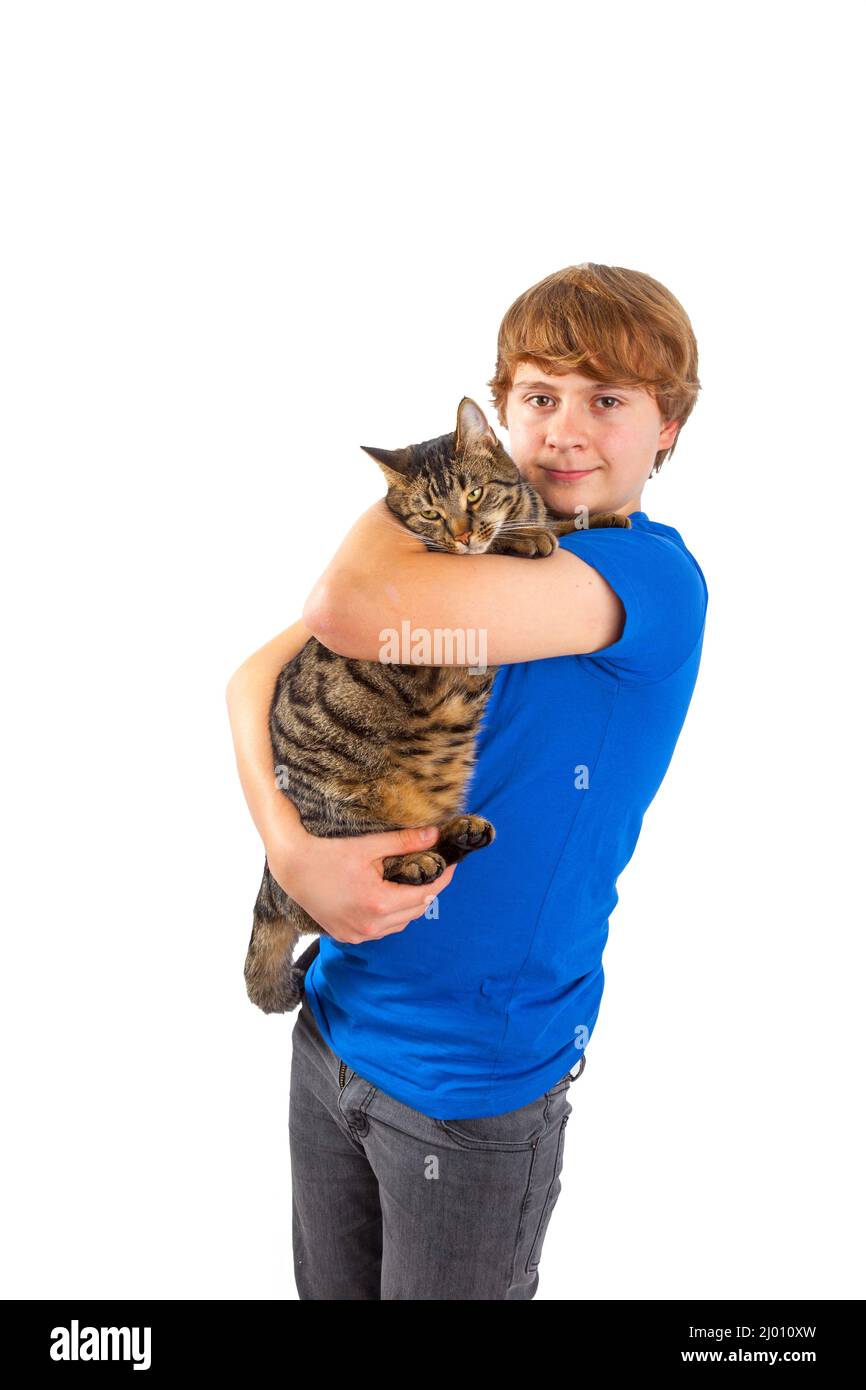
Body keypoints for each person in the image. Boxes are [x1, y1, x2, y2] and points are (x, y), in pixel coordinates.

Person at [225, 262, 709, 1299]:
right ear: (497, 415)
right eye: (537, 397)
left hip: (471, 1086)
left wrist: (408, 502)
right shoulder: (471, 554)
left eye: (607, 401)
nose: (566, 430)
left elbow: (340, 606)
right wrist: (292, 851)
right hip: (335, 1026)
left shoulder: (647, 580)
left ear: (667, 428)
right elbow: (250, 679)